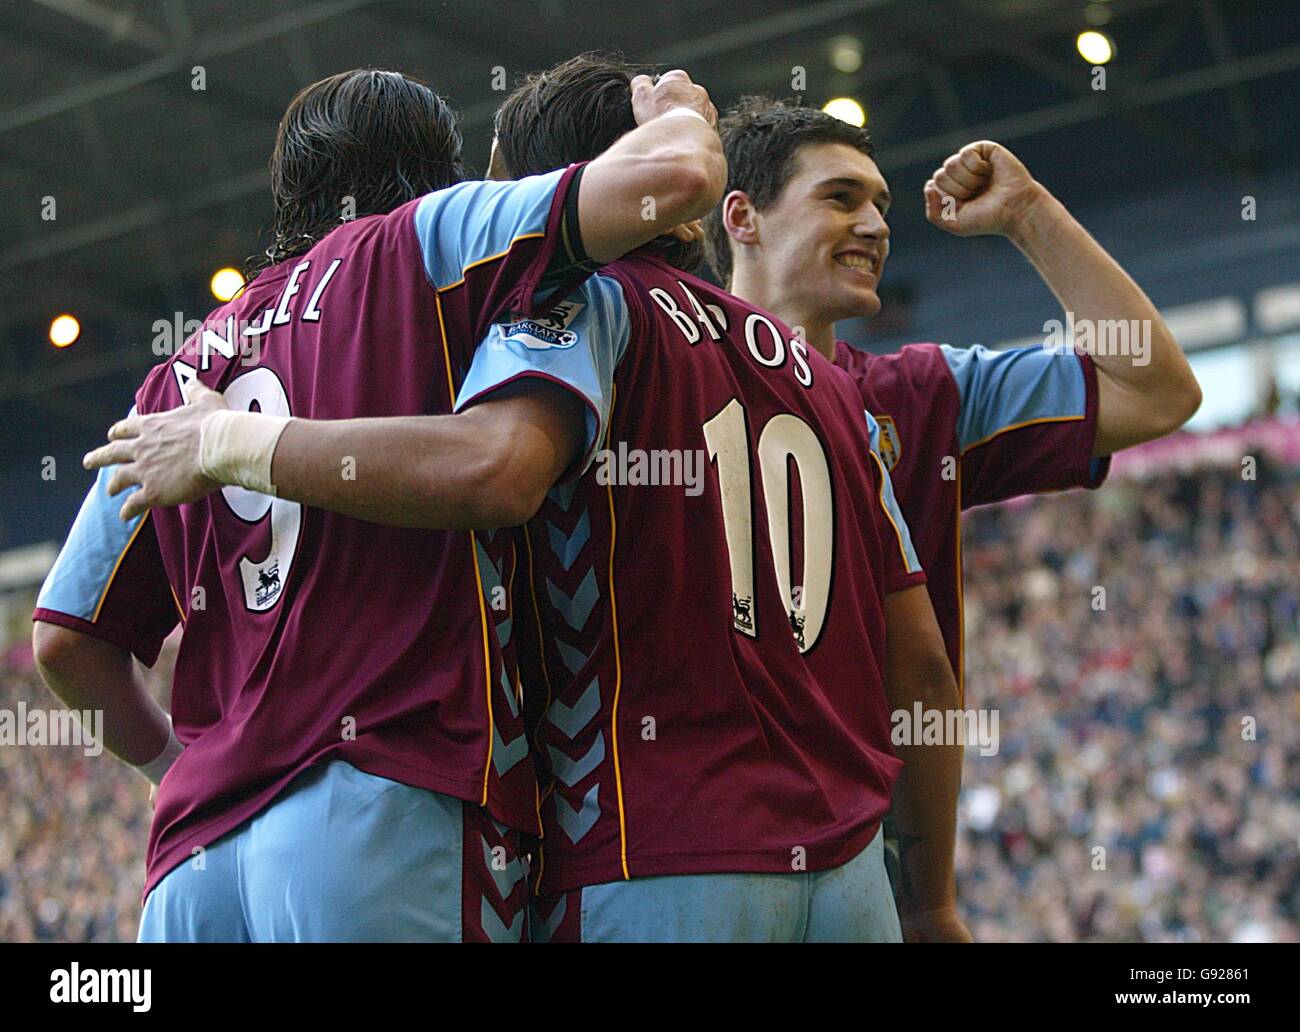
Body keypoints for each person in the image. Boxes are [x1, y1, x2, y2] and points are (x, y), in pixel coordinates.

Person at [86, 55, 967, 943]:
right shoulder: (835, 385)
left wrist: (188, 766)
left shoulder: (573, 306)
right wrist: (930, 902)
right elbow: (922, 663)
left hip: (644, 852)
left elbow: (66, 639)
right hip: (847, 873)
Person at [34, 66, 725, 942]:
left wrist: (184, 768)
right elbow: (670, 183)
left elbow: (64, 639)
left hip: (194, 868)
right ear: (443, 177)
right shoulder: (425, 240)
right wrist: (676, 116)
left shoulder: (176, 377)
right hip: (381, 805)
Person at [705, 97, 1202, 702]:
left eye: (879, 205)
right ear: (743, 217)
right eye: (840, 198)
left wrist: (1027, 212)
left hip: (884, 792)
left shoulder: (927, 393)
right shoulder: (663, 387)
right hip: (708, 789)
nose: (876, 226)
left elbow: (1156, 392)